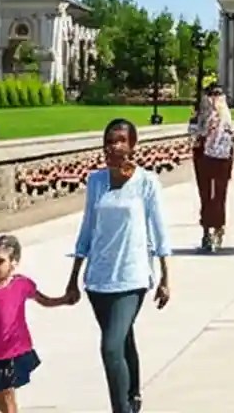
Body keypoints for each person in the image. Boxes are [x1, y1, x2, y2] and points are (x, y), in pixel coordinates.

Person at [67, 119, 172, 413]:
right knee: (123, 340)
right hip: (98, 279)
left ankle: (122, 409)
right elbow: (88, 228)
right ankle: (133, 396)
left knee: (110, 347)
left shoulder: (146, 182)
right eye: (110, 140)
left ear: (133, 145)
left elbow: (159, 229)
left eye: (121, 140)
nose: (114, 146)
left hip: (132, 276)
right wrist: (74, 275)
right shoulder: (96, 181)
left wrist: (165, 276)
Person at [0, 234, 68, 413]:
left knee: (7, 394)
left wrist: (64, 300)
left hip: (16, 349)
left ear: (14, 262)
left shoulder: (22, 285)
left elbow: (44, 300)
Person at [194, 86, 234, 252]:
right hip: (203, 157)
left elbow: (229, 137)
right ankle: (206, 230)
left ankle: (218, 228)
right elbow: (193, 134)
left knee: (219, 194)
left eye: (218, 94)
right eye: (211, 94)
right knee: (205, 194)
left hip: (222, 159)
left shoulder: (226, 115)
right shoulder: (201, 115)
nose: (214, 98)